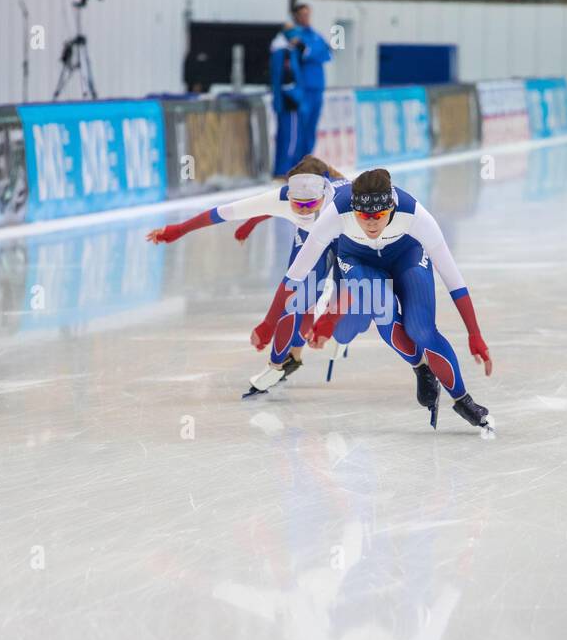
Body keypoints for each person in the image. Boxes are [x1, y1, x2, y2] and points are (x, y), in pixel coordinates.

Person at [277, 168, 494, 434]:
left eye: (378, 216)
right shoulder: (336, 214)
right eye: (362, 217)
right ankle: (420, 367)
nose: (370, 224)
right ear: (353, 210)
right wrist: (269, 322)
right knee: (384, 312)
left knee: (421, 329)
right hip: (357, 261)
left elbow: (454, 280)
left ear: (390, 207)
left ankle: (462, 400)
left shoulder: (414, 215)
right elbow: (294, 277)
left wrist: (475, 333)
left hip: (407, 256)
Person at [145, 156, 350, 395]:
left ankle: (328, 334)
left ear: (324, 194)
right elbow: (220, 213)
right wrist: (178, 230)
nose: (304, 210)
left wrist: (332, 319)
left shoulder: (344, 200)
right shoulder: (282, 197)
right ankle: (292, 357)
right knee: (301, 298)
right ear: (288, 195)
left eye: (310, 204)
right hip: (309, 239)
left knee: (339, 289)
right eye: (297, 204)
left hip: (344, 236)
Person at [288, 3, 331, 161]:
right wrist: (310, 53)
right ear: (296, 17)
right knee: (301, 127)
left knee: (312, 127)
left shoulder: (315, 34)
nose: (306, 18)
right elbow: (302, 54)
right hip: (303, 88)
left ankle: (307, 160)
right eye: (303, 15)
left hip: (317, 87)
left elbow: (326, 54)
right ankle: (295, 163)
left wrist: (309, 52)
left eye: (308, 15)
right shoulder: (295, 34)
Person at [269, 21, 306, 177]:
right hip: (288, 103)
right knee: (290, 138)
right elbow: (286, 80)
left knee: (286, 137)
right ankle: (285, 170)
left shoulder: (286, 51)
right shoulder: (283, 53)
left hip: (285, 101)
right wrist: (296, 97)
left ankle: (282, 170)